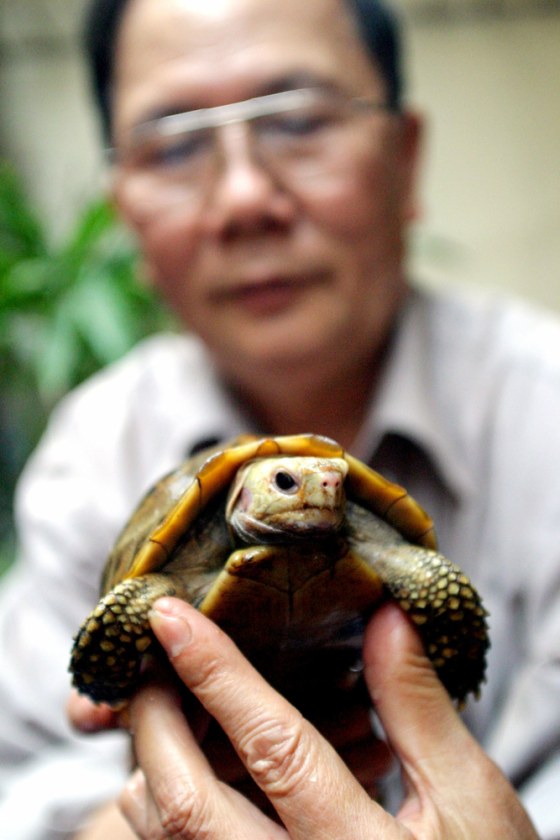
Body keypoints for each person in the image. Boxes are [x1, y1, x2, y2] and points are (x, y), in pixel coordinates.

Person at [0, 0, 559, 836]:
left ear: (407, 161)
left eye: (298, 120)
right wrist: (131, 821)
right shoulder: (92, 453)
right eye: (177, 143)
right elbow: (26, 780)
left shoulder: (543, 408)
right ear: (123, 205)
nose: (243, 197)